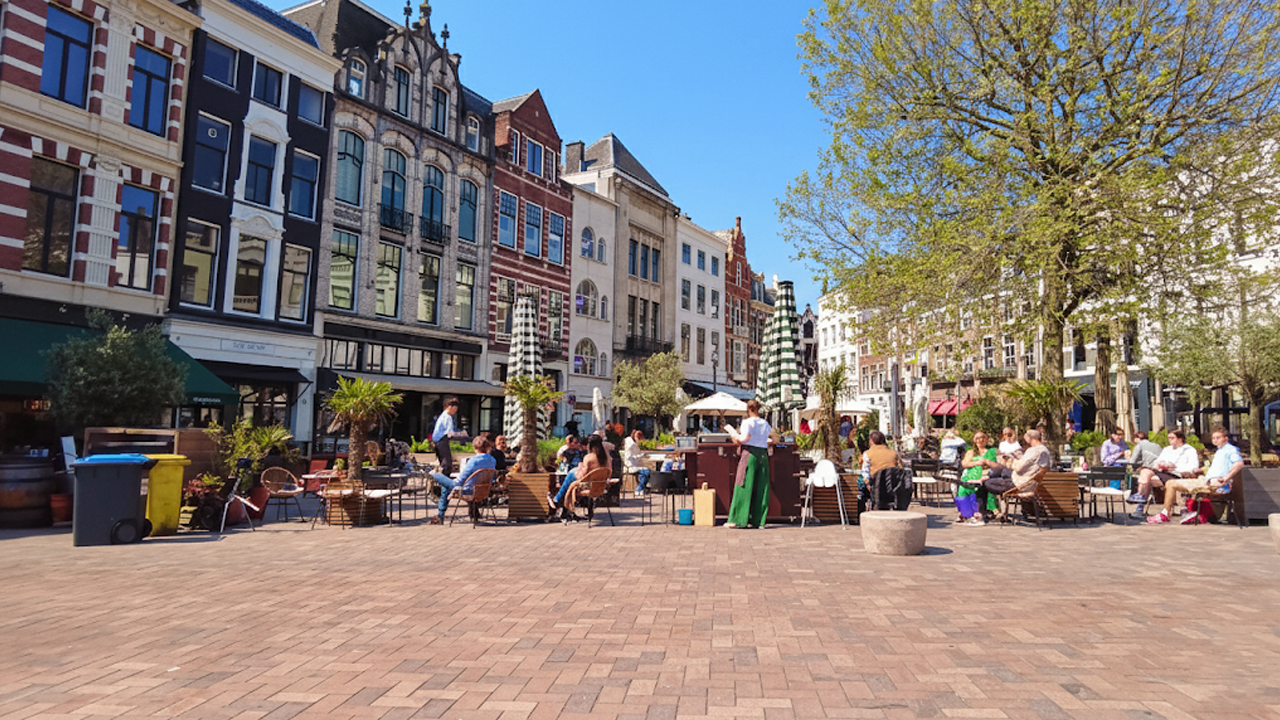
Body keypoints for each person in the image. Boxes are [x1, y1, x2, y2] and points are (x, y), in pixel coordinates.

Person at [1148, 427, 1243, 525]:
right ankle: (1181, 512)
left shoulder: (1230, 449)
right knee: (1170, 483)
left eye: (1218, 438)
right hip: (1206, 480)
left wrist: (1225, 478)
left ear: (1225, 439)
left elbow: (1239, 463)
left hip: (1216, 483)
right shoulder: (1219, 450)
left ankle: (1166, 514)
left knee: (1171, 483)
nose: (1215, 440)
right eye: (1213, 438)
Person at [726, 399, 773, 529]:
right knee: (761, 486)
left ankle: (738, 519)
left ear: (748, 409)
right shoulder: (765, 423)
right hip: (763, 454)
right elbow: (770, 438)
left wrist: (734, 438)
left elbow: (744, 438)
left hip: (750, 453)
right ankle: (759, 520)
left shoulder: (747, 422)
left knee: (743, 484)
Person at [1128, 429, 1199, 514]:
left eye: (1172, 438)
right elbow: (1157, 461)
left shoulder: (1189, 450)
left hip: (1175, 474)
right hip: (1161, 472)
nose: (1170, 440)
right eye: (1169, 438)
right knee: (1145, 470)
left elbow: (1193, 466)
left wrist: (1173, 467)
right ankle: (1140, 496)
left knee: (1149, 480)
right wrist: (1160, 465)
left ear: (1180, 439)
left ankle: (1140, 503)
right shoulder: (1167, 449)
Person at [429, 436, 496, 524]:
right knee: (445, 486)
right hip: (484, 491)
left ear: (474, 447)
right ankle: (440, 516)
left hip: (468, 491)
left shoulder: (473, 461)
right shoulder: (492, 460)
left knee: (438, 476)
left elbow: (460, 481)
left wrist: (454, 481)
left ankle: (440, 515)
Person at [983, 429, 1051, 500]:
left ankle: (985, 478)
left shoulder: (1034, 451)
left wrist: (1010, 461)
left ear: (1029, 438)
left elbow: (1019, 468)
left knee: (988, 482)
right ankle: (986, 477)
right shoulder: (1045, 450)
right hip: (1030, 482)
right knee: (1001, 471)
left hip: (1022, 483)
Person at [561, 435, 610, 521]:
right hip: (601, 487)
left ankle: (562, 506)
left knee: (570, 477)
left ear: (589, 445)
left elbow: (582, 476)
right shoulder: (606, 458)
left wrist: (580, 467)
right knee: (571, 477)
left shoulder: (588, 457)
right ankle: (563, 508)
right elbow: (609, 473)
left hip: (587, 487)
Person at [957, 431, 1000, 525]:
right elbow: (964, 463)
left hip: (985, 475)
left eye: (982, 437)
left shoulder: (992, 452)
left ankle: (988, 511)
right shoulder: (971, 452)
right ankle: (965, 512)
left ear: (986, 439)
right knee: (963, 487)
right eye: (978, 438)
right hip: (971, 475)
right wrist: (978, 463)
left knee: (986, 486)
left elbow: (998, 466)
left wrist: (987, 461)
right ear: (974, 440)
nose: (980, 440)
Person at [548, 436, 586, 512]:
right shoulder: (567, 452)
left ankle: (558, 502)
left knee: (568, 489)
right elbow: (564, 463)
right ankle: (563, 508)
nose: (577, 444)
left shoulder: (581, 453)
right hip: (569, 474)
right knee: (566, 488)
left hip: (578, 476)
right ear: (570, 444)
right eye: (575, 443)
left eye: (578, 442)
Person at [431, 398, 468, 475]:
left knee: (442, 462)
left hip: (437, 441)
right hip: (442, 440)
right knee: (447, 464)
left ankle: (441, 477)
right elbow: (450, 433)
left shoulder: (442, 416)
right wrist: (462, 434)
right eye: (454, 409)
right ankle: (445, 479)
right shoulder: (447, 417)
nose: (454, 412)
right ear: (450, 407)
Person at [624, 430, 651, 496]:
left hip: (633, 465)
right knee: (646, 471)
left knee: (646, 472)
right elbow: (630, 457)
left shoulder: (632, 443)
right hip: (630, 466)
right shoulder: (631, 445)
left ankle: (641, 488)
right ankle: (639, 488)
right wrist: (641, 456)